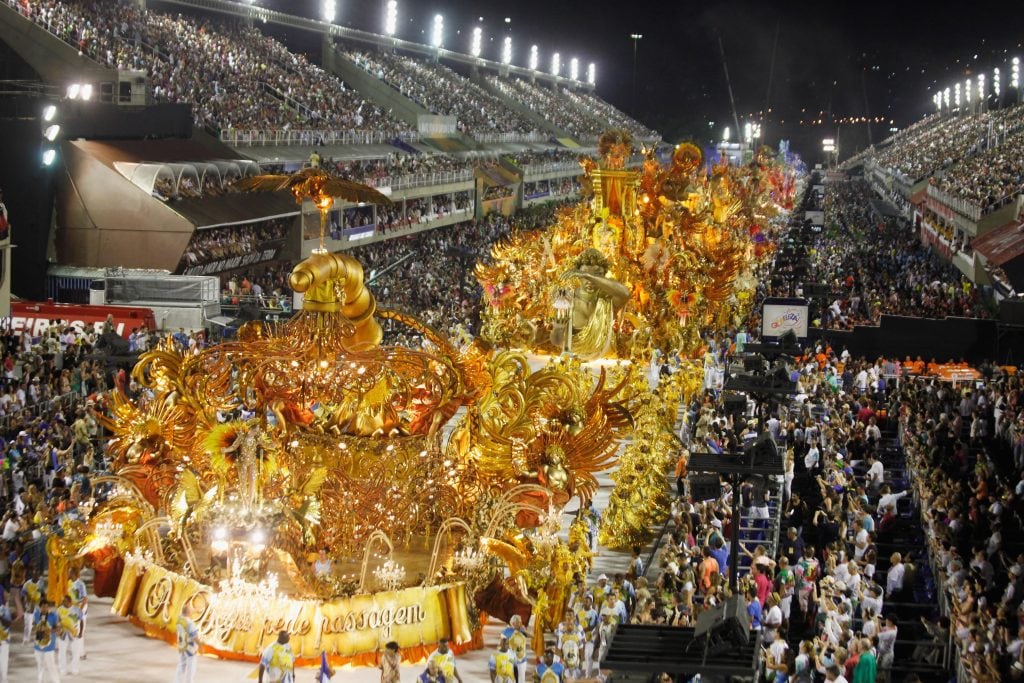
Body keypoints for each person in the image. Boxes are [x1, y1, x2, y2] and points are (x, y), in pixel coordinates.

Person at [34, 599, 60, 683]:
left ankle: (56, 681)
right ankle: (41, 680)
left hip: (49, 645)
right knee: (40, 665)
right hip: (38, 645)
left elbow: (57, 629)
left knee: (51, 665)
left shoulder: (53, 615)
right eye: (43, 607)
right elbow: (35, 625)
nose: (44, 609)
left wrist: (50, 630)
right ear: (40, 607)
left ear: (48, 607)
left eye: (46, 607)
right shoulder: (36, 614)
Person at [55, 594, 82, 676]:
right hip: (62, 634)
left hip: (74, 633)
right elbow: (56, 622)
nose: (62, 602)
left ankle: (75, 669)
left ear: (70, 601)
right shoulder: (59, 610)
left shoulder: (77, 610)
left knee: (76, 652)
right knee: (62, 652)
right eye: (62, 601)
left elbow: (82, 621)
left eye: (64, 601)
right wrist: (58, 631)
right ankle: (62, 669)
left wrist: (81, 632)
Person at [501, 615, 529, 683]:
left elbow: (525, 639)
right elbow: (503, 644)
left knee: (521, 677)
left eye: (520, 622)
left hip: (522, 658)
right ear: (513, 623)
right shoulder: (506, 631)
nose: (520, 624)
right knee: (511, 676)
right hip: (511, 658)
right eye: (518, 622)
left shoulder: (522, 630)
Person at [175, 604, 199, 683]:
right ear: (188, 612)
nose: (192, 611)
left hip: (181, 645)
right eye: (191, 610)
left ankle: (177, 681)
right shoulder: (190, 623)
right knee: (191, 667)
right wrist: (200, 646)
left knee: (181, 665)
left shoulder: (180, 620)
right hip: (189, 647)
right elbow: (194, 636)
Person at [0, 599, 10, 683]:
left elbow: (8, 623)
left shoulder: (4, 609)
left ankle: (4, 679)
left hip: (4, 642)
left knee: (3, 662)